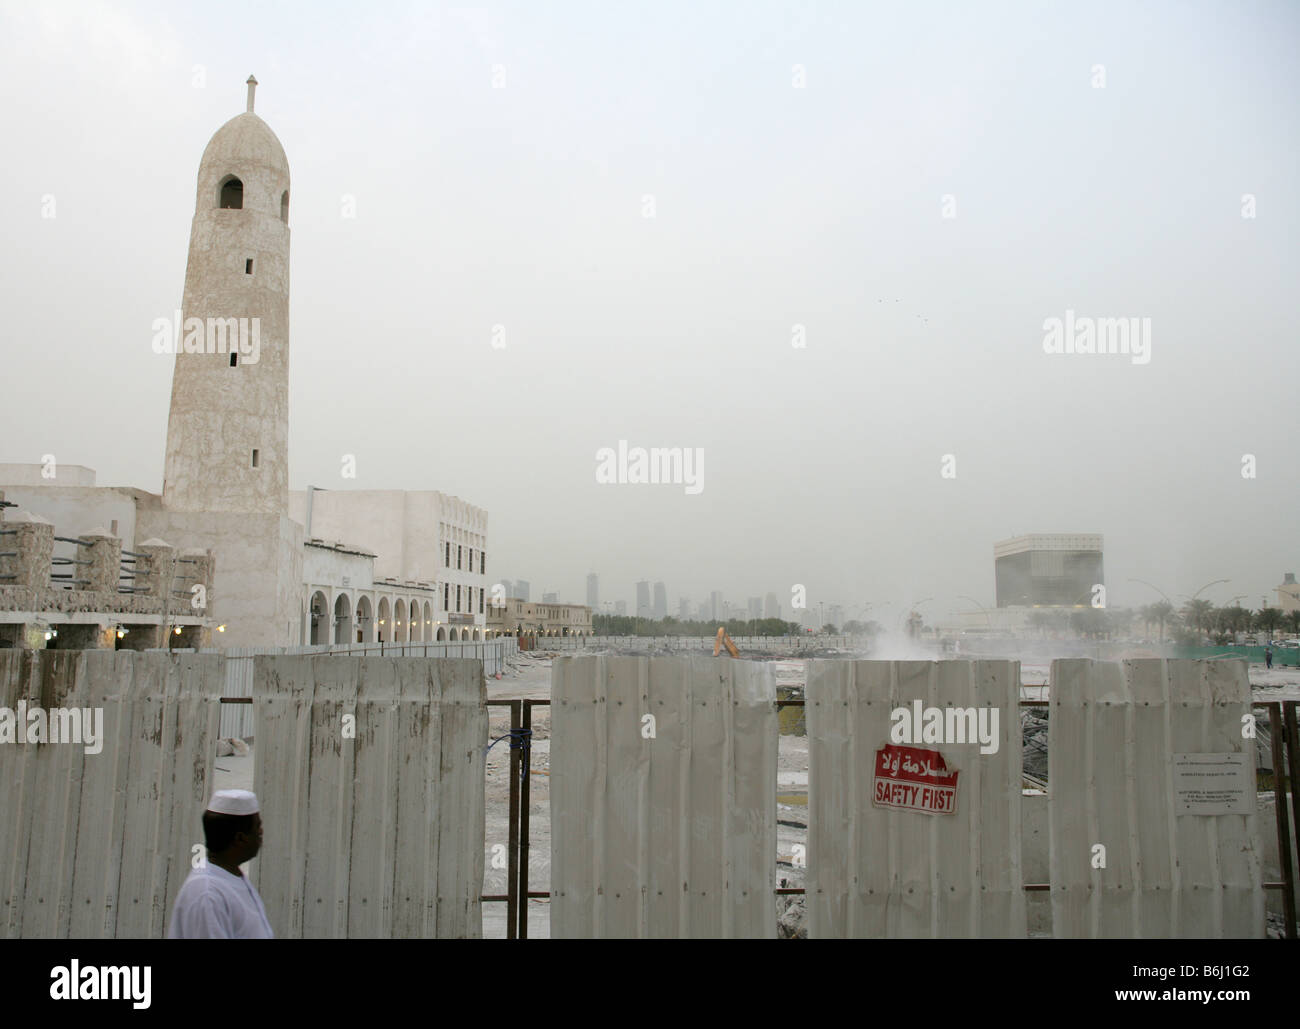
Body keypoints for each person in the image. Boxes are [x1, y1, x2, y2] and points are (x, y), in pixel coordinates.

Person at [167, 789, 274, 939]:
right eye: (257, 827)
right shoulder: (208, 894)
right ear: (240, 838)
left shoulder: (230, 878)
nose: (261, 832)